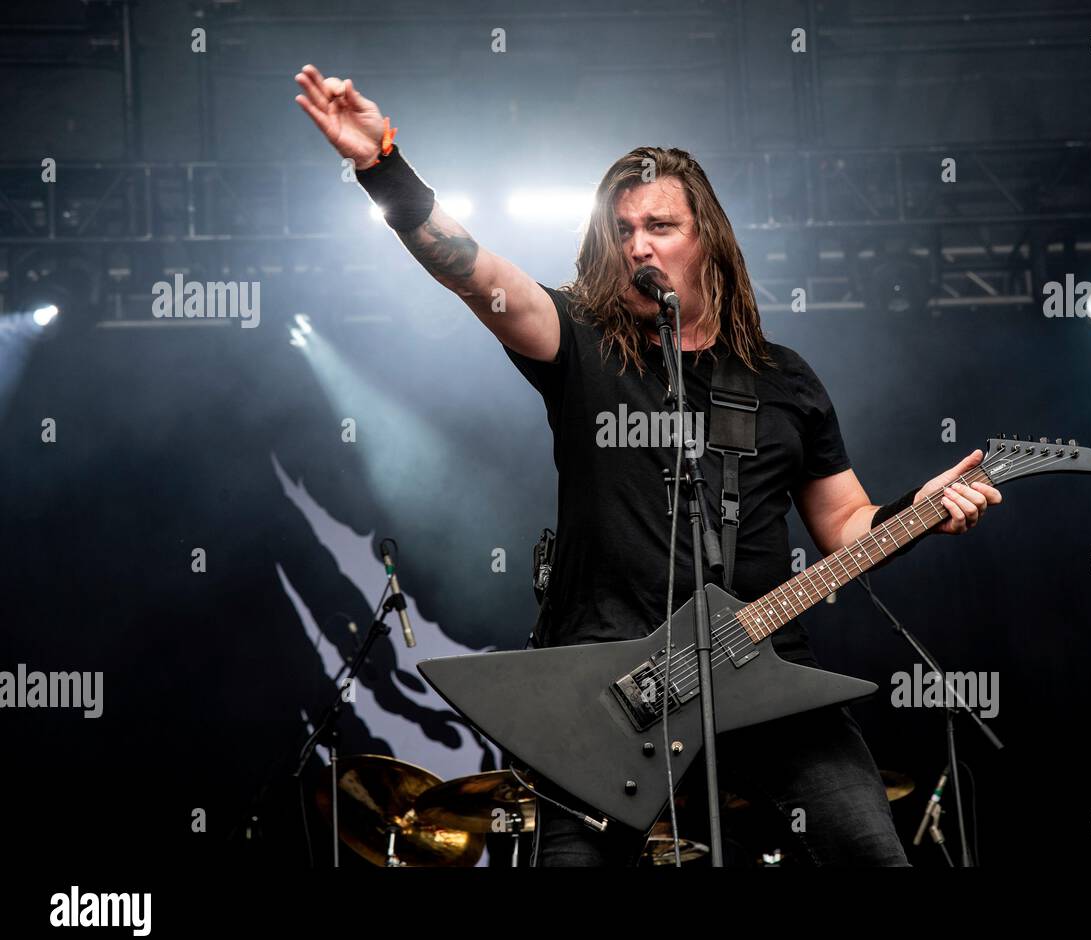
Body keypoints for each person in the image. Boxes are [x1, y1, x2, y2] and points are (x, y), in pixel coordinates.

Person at [294, 64, 1003, 866]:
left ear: (708, 240)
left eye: (661, 226)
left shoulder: (783, 378)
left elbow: (844, 525)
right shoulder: (578, 342)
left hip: (764, 677)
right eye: (623, 229)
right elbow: (469, 269)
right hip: (606, 693)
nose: (638, 245)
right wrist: (380, 162)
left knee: (870, 852)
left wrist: (923, 504)